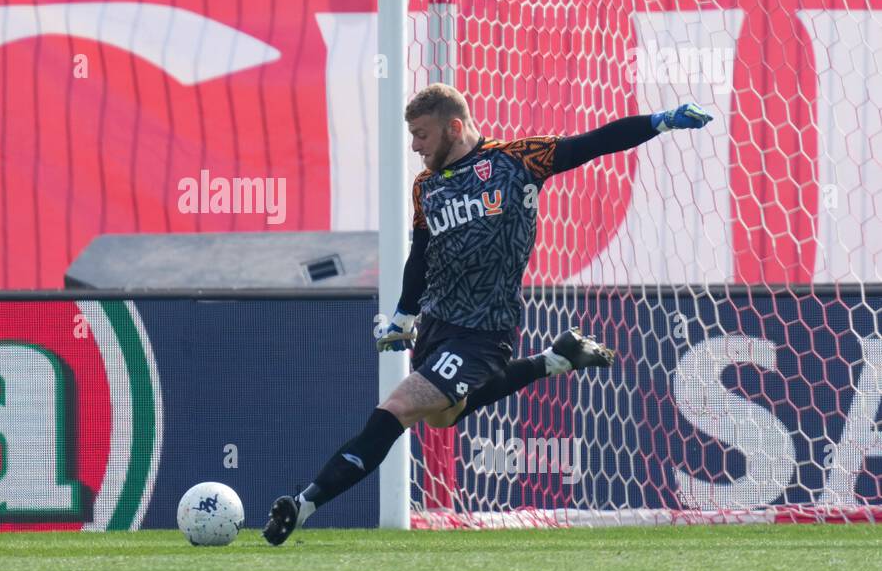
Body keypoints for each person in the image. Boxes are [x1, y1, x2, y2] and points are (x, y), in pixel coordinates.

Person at [262, 84, 715, 545]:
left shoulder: (518, 160)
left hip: (483, 331)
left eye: (421, 134)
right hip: (438, 326)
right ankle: (555, 360)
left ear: (454, 128)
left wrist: (661, 121)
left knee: (396, 409)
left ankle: (303, 504)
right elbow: (420, 255)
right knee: (440, 418)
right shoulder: (426, 187)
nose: (415, 145)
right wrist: (402, 316)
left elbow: (592, 143)